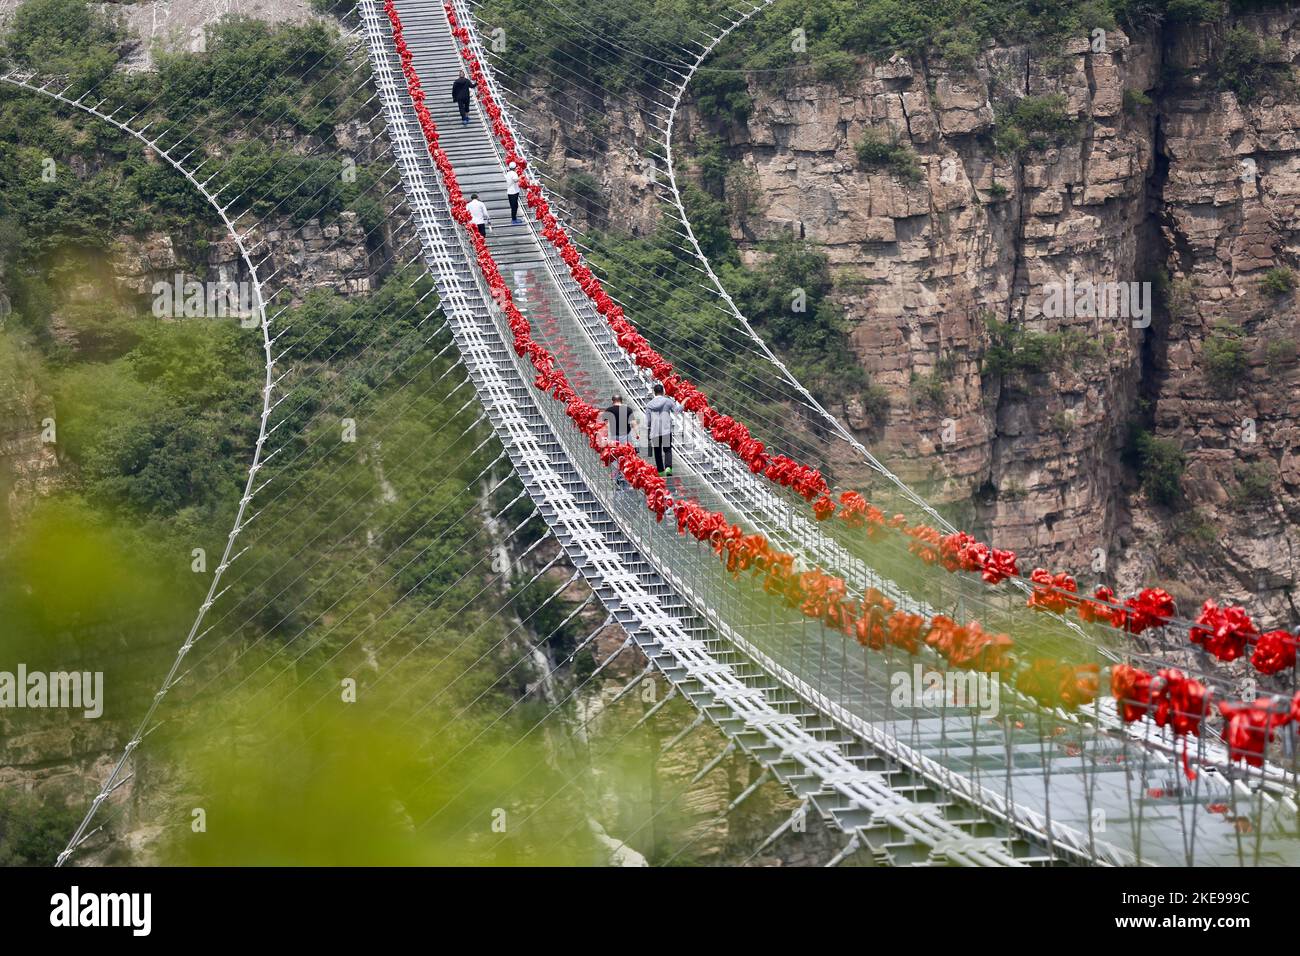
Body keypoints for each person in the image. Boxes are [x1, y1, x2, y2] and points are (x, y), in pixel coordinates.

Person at [645, 383, 683, 477]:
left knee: (657, 452)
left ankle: (660, 471)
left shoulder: (649, 405)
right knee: (667, 450)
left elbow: (648, 421)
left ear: (654, 392)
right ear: (663, 391)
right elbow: (677, 411)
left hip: (654, 431)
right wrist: (683, 403)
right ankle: (668, 468)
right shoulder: (667, 401)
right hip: (666, 430)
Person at [603, 394, 634, 490]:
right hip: (625, 435)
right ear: (621, 400)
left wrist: (606, 436)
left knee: (614, 455)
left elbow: (606, 424)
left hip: (613, 436)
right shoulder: (628, 409)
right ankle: (625, 475)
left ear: (613, 401)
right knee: (625, 455)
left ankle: (616, 476)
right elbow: (632, 423)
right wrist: (637, 434)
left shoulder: (609, 410)